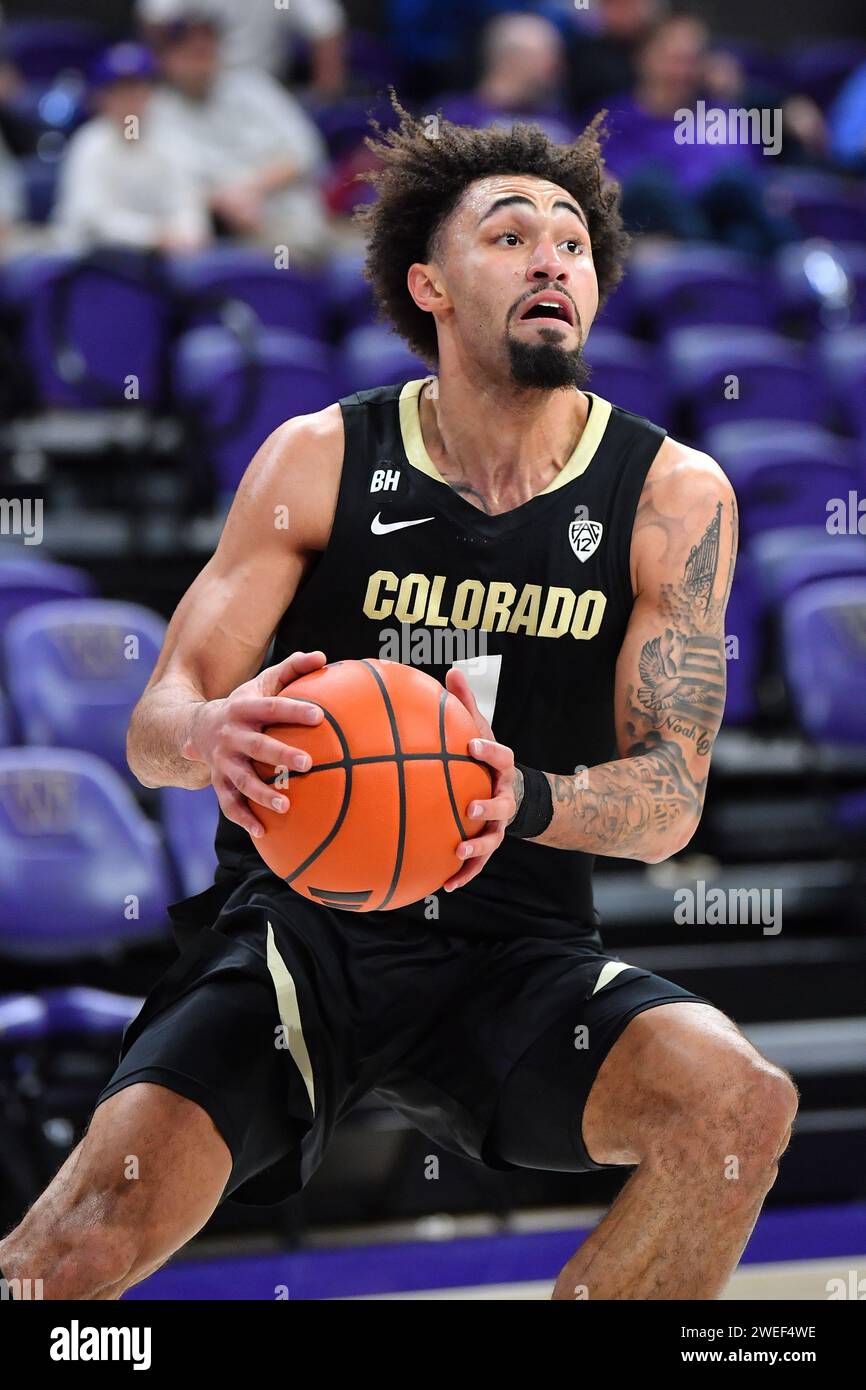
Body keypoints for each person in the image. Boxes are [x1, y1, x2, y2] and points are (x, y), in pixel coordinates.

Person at [0, 97, 798, 1302]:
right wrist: (208, 735)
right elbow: (156, 721)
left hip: (516, 945)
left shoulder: (670, 495)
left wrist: (517, 797)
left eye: (574, 243)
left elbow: (670, 800)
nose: (552, 261)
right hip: (298, 935)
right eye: (511, 235)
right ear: (427, 282)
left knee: (736, 1104)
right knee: (66, 1258)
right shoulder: (317, 456)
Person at [148, 16, 332, 263]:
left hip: (293, 222)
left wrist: (251, 189)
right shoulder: (157, 112)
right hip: (216, 238)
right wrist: (225, 200)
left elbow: (306, 152)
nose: (203, 62)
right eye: (192, 53)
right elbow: (174, 181)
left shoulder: (254, 88)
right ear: (168, 59)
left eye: (208, 51)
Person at [52, 42, 209, 254]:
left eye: (136, 89)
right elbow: (92, 220)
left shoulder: (172, 142)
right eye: (119, 91)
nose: (130, 100)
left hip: (160, 261)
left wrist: (187, 235)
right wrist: (155, 235)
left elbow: (188, 209)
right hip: (91, 262)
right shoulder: (89, 143)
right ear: (102, 98)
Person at [137, 0, 347, 92]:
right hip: (193, 87)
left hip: (265, 87)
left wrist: (325, 98)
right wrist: (168, 78)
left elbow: (326, 27)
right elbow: (155, 19)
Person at [435, 12, 577, 144]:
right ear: (509, 60)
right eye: (548, 60)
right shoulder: (453, 117)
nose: (559, 70)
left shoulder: (560, 122)